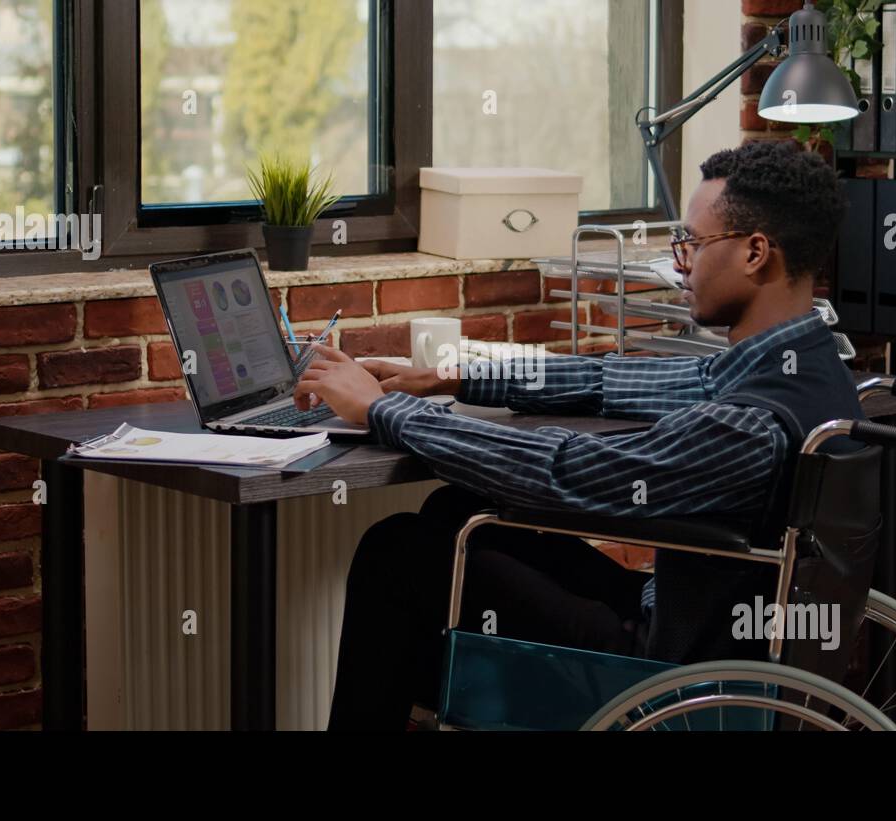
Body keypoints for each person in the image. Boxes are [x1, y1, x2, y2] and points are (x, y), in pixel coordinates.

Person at [293, 140, 863, 731]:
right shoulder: (806, 365)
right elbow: (605, 380)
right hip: (699, 621)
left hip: (675, 677)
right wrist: (449, 377)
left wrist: (383, 411)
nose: (681, 263)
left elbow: (564, 471)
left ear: (755, 253)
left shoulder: (748, 426)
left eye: (692, 243)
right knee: (454, 512)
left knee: (397, 553)